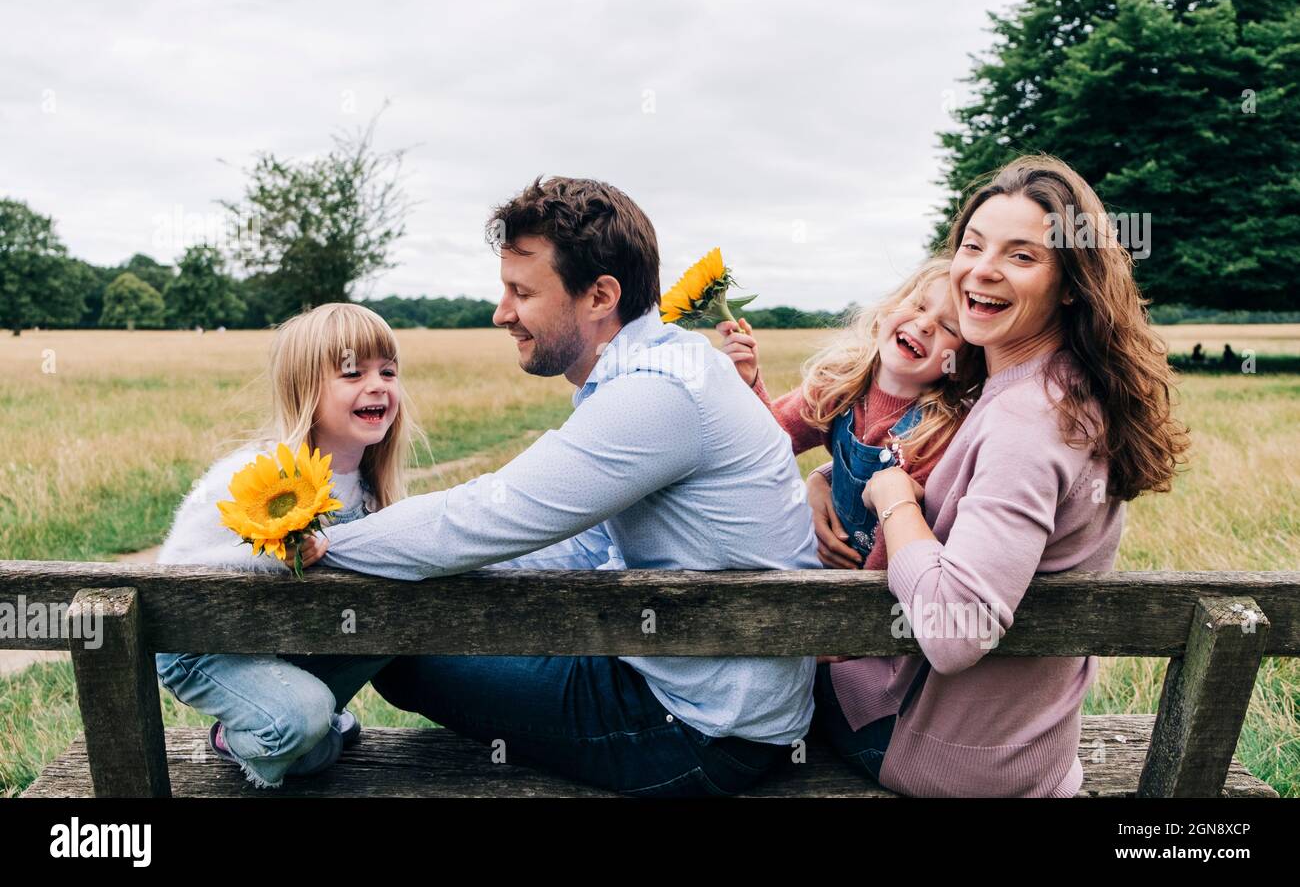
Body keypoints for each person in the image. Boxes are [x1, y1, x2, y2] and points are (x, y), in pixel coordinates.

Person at [295, 176, 821, 797]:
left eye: (521, 291)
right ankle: (287, 717)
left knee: (405, 648)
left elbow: (489, 516)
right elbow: (574, 544)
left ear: (599, 296)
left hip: (700, 733)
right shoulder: (667, 366)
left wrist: (320, 545)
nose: (502, 313)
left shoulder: (656, 396)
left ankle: (275, 725)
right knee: (422, 599)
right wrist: (436, 564)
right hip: (707, 694)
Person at [831, 155, 1189, 796]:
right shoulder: (1056, 387)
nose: (982, 269)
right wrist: (821, 483)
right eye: (972, 245)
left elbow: (955, 630)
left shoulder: (1029, 422)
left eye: (1022, 256)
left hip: (945, 754)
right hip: (1023, 748)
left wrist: (891, 499)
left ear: (1072, 284)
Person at [152, 303, 412, 788]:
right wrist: (269, 555)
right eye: (352, 373)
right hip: (205, 648)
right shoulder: (252, 475)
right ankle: (250, 735)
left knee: (399, 618)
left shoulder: (373, 490)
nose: (377, 384)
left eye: (389, 371)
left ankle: (309, 725)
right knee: (301, 731)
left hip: (282, 641)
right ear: (303, 391)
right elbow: (173, 572)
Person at [716, 257, 981, 573]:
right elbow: (771, 443)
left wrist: (854, 599)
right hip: (823, 568)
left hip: (881, 585)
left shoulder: (937, 434)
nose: (925, 324)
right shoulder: (838, 384)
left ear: (958, 368)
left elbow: (897, 542)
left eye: (949, 327)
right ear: (889, 309)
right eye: (920, 306)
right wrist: (750, 381)